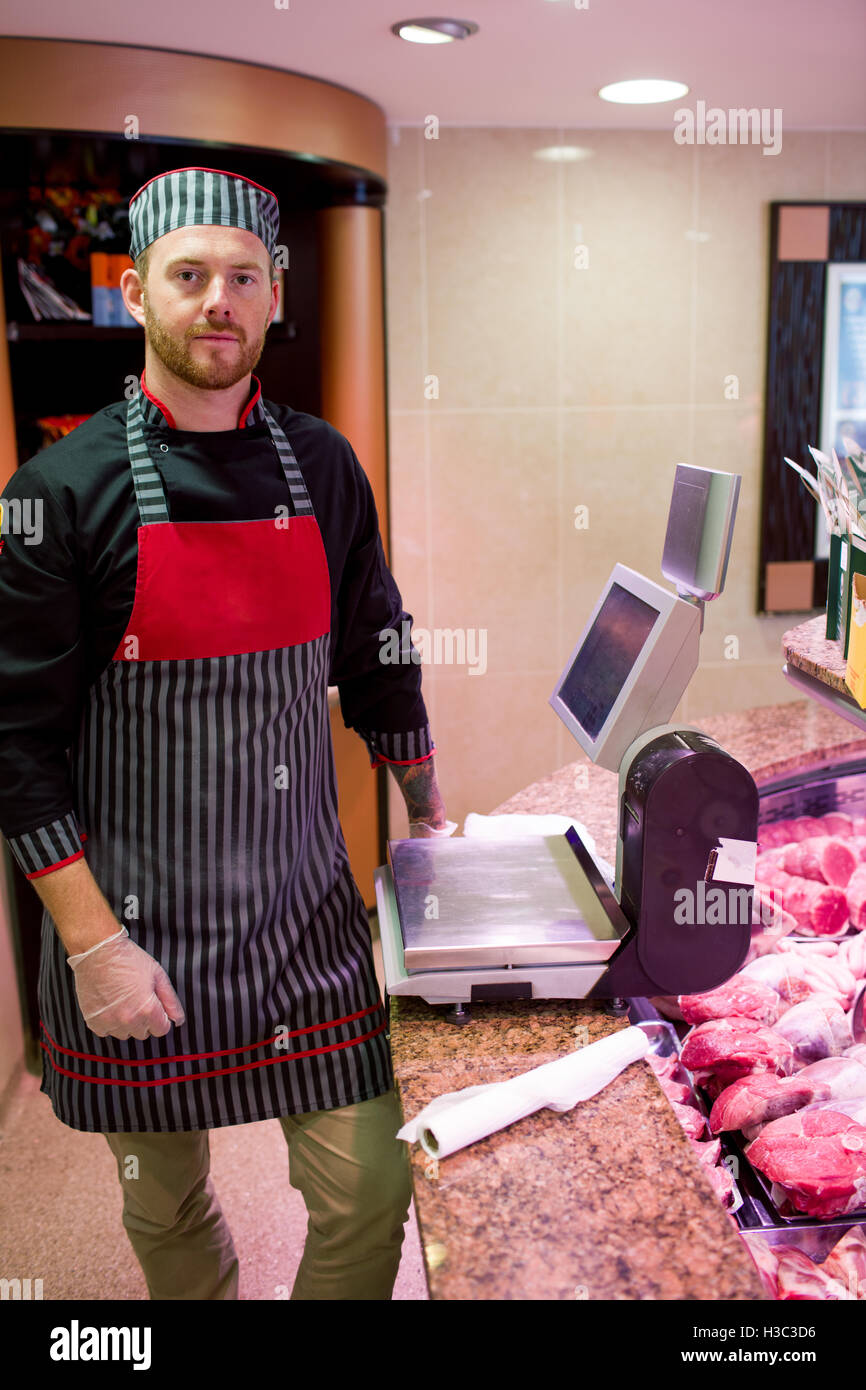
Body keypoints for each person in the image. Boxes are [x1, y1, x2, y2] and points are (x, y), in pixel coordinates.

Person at [0, 166, 455, 1300]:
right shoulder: (60, 490)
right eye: (188, 274)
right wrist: (94, 946)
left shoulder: (326, 464)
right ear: (137, 291)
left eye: (242, 276)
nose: (217, 299)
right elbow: (15, 743)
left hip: (303, 915)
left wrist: (432, 819)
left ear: (273, 294)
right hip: (138, 928)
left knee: (370, 1188)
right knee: (163, 1196)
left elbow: (379, 649)